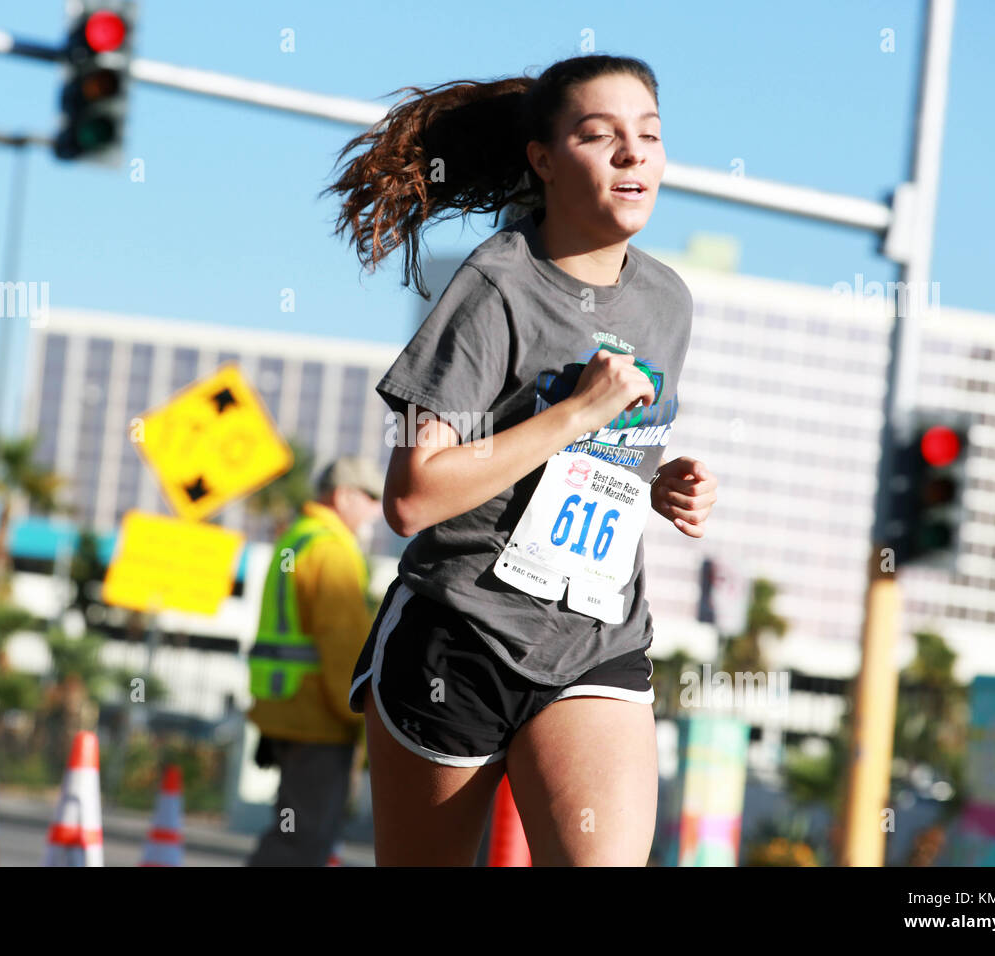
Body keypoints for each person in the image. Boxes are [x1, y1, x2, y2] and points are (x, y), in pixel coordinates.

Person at [323, 54, 719, 866]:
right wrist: (578, 413)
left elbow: (603, 459)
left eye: (648, 135)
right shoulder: (497, 286)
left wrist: (661, 484)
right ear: (542, 159)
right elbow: (413, 495)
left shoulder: (666, 301)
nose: (633, 154)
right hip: (460, 638)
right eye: (599, 135)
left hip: (594, 639)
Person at [245, 456, 384, 866]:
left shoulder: (299, 537)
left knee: (296, 832)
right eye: (370, 497)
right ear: (343, 496)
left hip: (288, 708)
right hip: (318, 719)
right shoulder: (331, 551)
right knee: (304, 840)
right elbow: (343, 645)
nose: (378, 508)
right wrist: (362, 718)